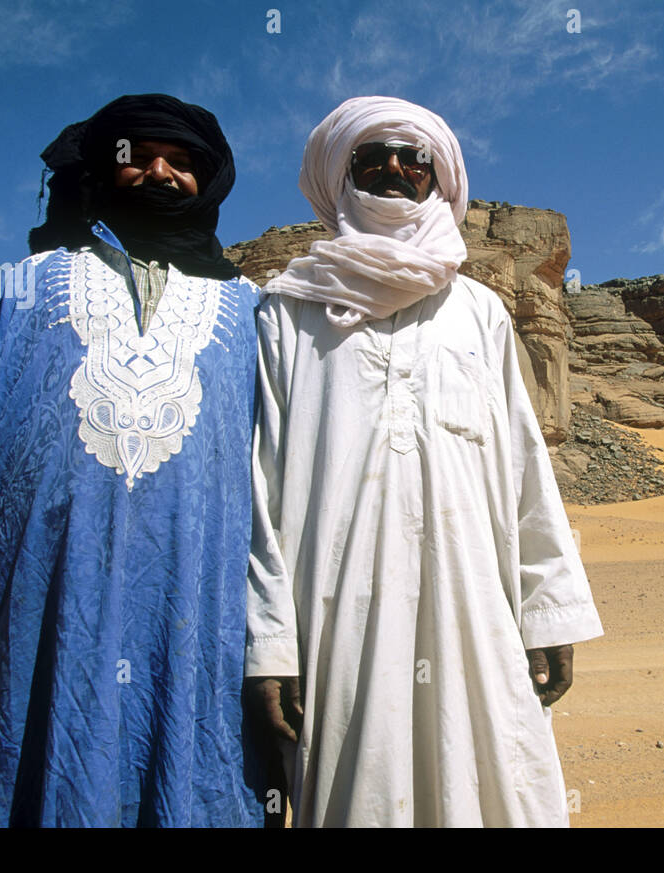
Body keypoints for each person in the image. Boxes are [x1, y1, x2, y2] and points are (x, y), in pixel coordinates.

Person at [0, 94, 265, 827]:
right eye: (136, 155)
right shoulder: (25, 285)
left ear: (209, 182)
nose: (160, 171)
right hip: (22, 619)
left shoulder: (254, 313)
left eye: (182, 162)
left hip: (194, 627)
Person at [245, 96, 603, 827]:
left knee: (492, 772)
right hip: (336, 609)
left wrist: (549, 609)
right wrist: (270, 643)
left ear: (439, 179)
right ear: (341, 176)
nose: (395, 170)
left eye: (415, 158)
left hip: (474, 600)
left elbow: (524, 467)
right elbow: (260, 481)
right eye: (372, 157)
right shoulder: (284, 312)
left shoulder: (479, 311)